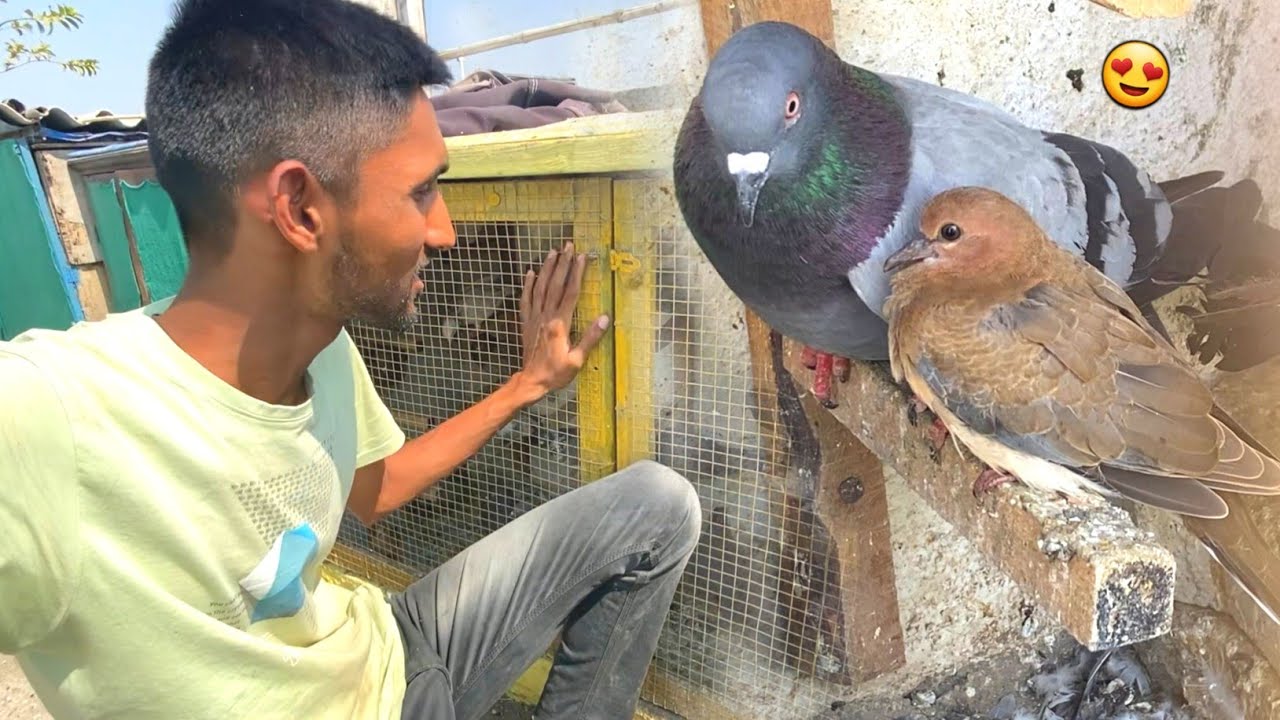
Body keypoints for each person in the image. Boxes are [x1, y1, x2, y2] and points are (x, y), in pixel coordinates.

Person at [0, 0, 702, 718]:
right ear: (301, 208)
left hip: (389, 646)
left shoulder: (324, 342)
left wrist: (526, 386)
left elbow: (378, 487)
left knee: (659, 505)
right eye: (422, 191)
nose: (446, 232)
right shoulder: (52, 412)